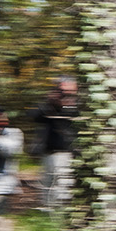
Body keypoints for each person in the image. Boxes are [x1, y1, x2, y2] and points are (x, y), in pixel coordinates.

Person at [30, 76, 78, 211]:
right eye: (60, 89)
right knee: (47, 181)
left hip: (66, 151)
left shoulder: (75, 103)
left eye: (65, 89)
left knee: (63, 182)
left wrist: (64, 105)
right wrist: (49, 104)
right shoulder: (49, 104)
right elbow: (34, 116)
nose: (62, 93)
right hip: (48, 150)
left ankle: (62, 211)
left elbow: (73, 115)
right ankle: (47, 210)